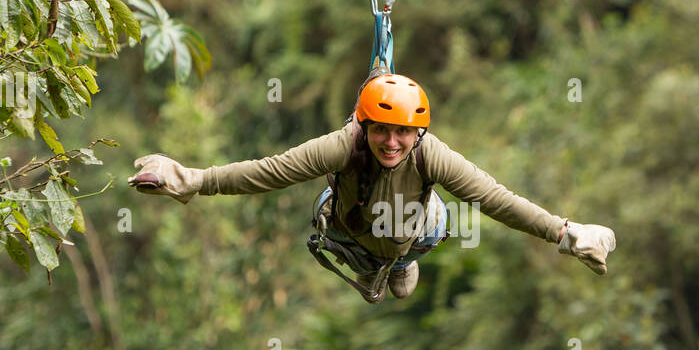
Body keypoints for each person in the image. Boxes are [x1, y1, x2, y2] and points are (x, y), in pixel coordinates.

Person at [127, 71, 616, 299]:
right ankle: (374, 266)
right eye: (382, 129)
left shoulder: (430, 154)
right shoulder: (345, 145)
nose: (391, 142)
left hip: (414, 230)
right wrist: (190, 179)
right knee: (334, 212)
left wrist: (564, 232)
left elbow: (493, 198)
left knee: (427, 230)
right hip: (350, 228)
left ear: (418, 132)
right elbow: (269, 171)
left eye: (403, 131)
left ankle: (399, 263)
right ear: (364, 125)